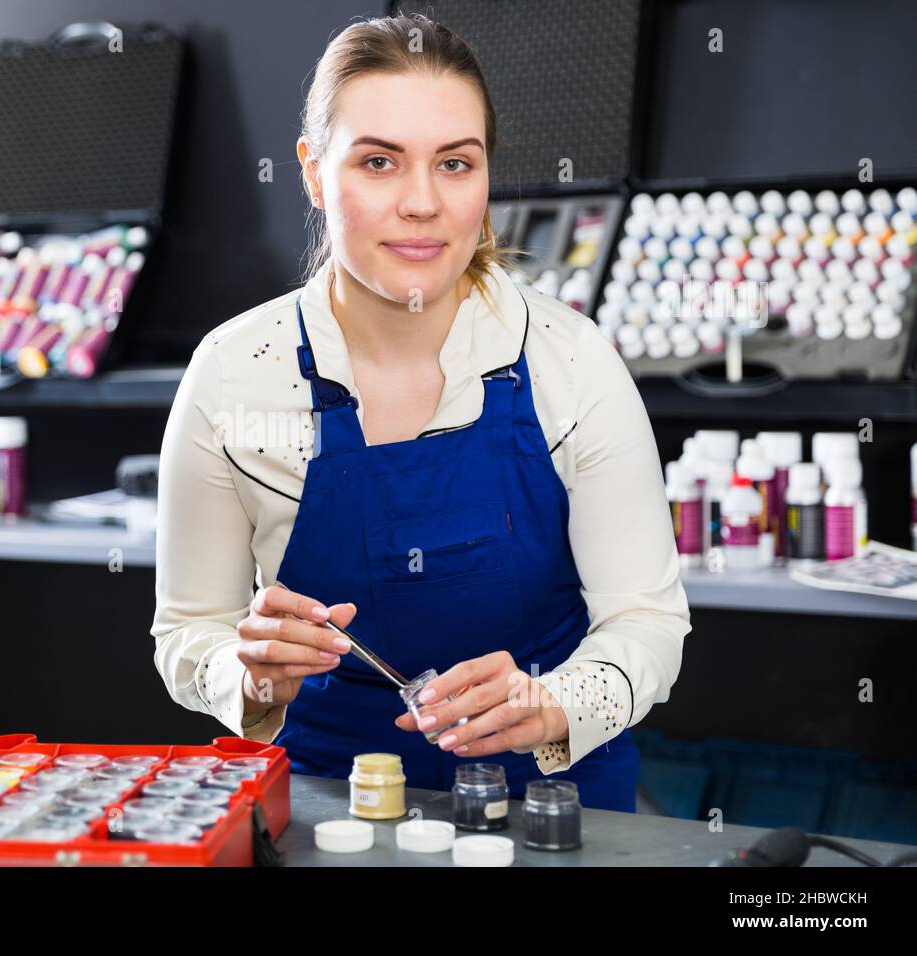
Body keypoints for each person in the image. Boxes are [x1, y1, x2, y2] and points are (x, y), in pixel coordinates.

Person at [151, 13, 690, 811]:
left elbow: (647, 621)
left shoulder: (572, 363)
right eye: (378, 162)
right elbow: (189, 631)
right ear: (311, 172)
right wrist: (247, 670)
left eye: (455, 164)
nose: (422, 203)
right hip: (326, 800)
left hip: (554, 801)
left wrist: (555, 702)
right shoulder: (234, 376)